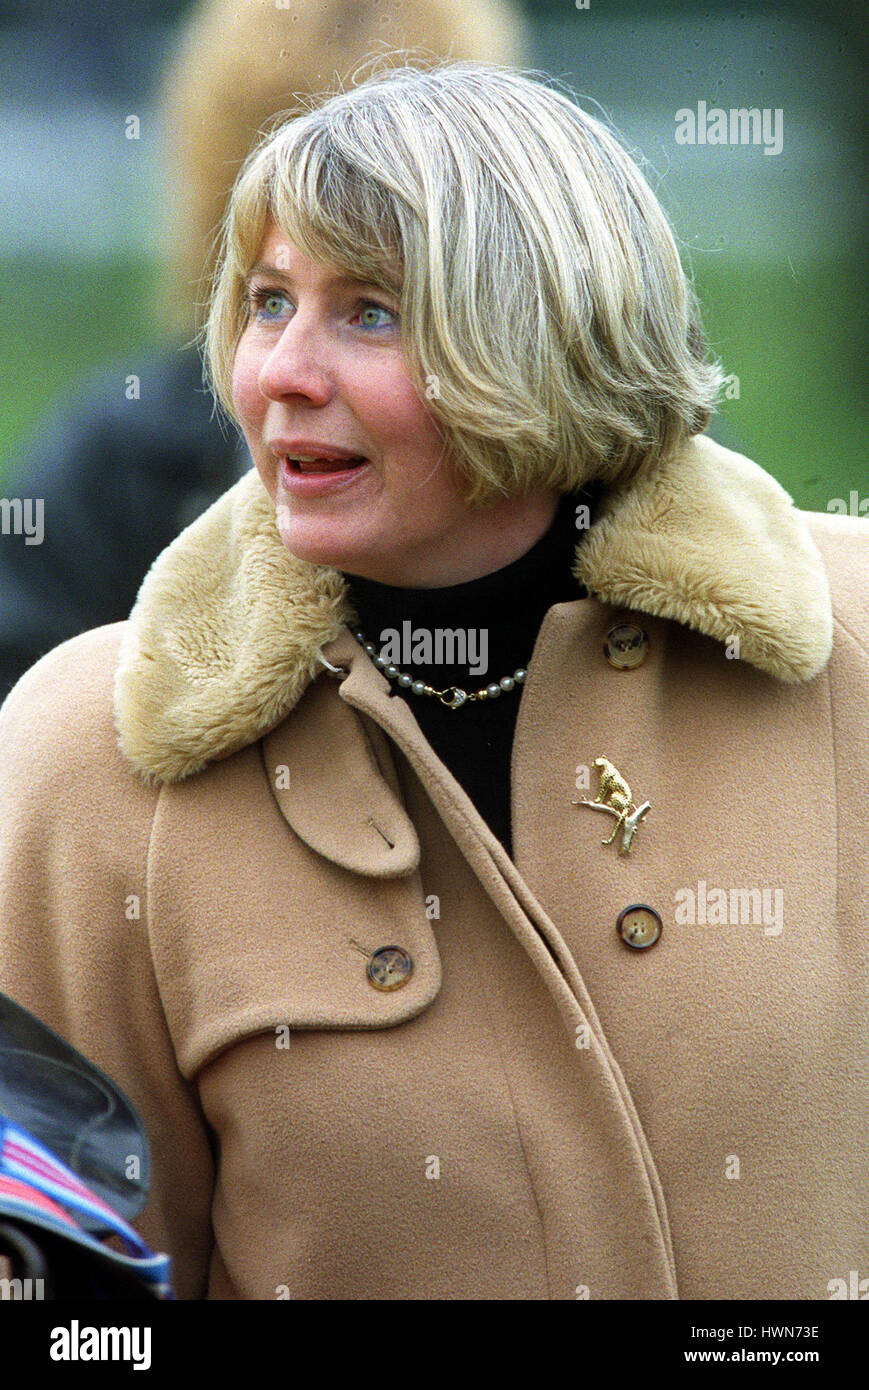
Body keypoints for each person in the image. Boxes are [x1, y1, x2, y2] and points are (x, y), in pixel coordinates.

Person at [0, 61, 866, 1302]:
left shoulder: (843, 647)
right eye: (264, 302)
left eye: (367, 313)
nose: (280, 373)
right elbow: (73, 1319)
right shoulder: (91, 756)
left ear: (548, 339)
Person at [0, 0, 528, 701]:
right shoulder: (120, 461)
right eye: (272, 299)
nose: (294, 376)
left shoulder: (108, 453)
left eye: (373, 310)